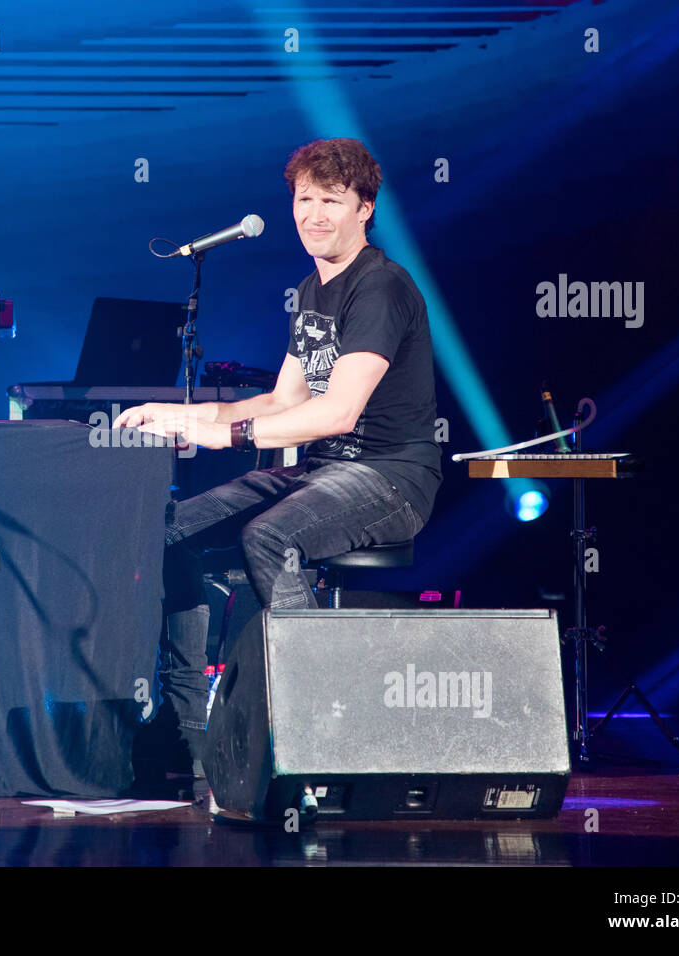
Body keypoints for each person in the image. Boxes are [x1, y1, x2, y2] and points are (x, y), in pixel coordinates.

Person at [114, 138, 441, 774]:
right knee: (170, 532)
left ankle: (323, 729)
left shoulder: (380, 288)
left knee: (268, 538)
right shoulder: (312, 290)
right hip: (324, 472)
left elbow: (335, 414)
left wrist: (223, 438)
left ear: (364, 209)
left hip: (390, 479)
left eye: (331, 201)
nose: (314, 215)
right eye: (304, 200)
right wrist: (188, 416)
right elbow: (282, 400)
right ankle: (189, 735)